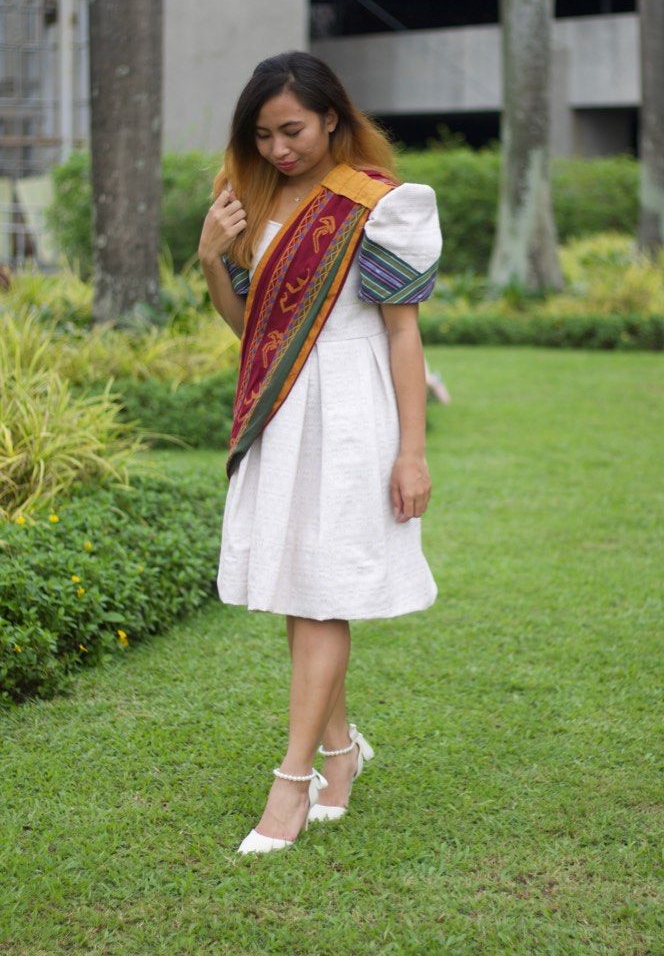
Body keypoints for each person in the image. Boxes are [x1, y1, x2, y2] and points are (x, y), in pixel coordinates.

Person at [198, 50, 442, 855]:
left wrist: (411, 451)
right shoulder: (252, 198)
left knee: (320, 594)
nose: (277, 149)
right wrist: (212, 261)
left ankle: (291, 783)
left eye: (292, 130)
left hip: (351, 413)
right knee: (300, 587)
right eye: (262, 134)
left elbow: (403, 334)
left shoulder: (378, 206)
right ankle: (341, 755)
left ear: (333, 118)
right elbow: (254, 338)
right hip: (284, 410)